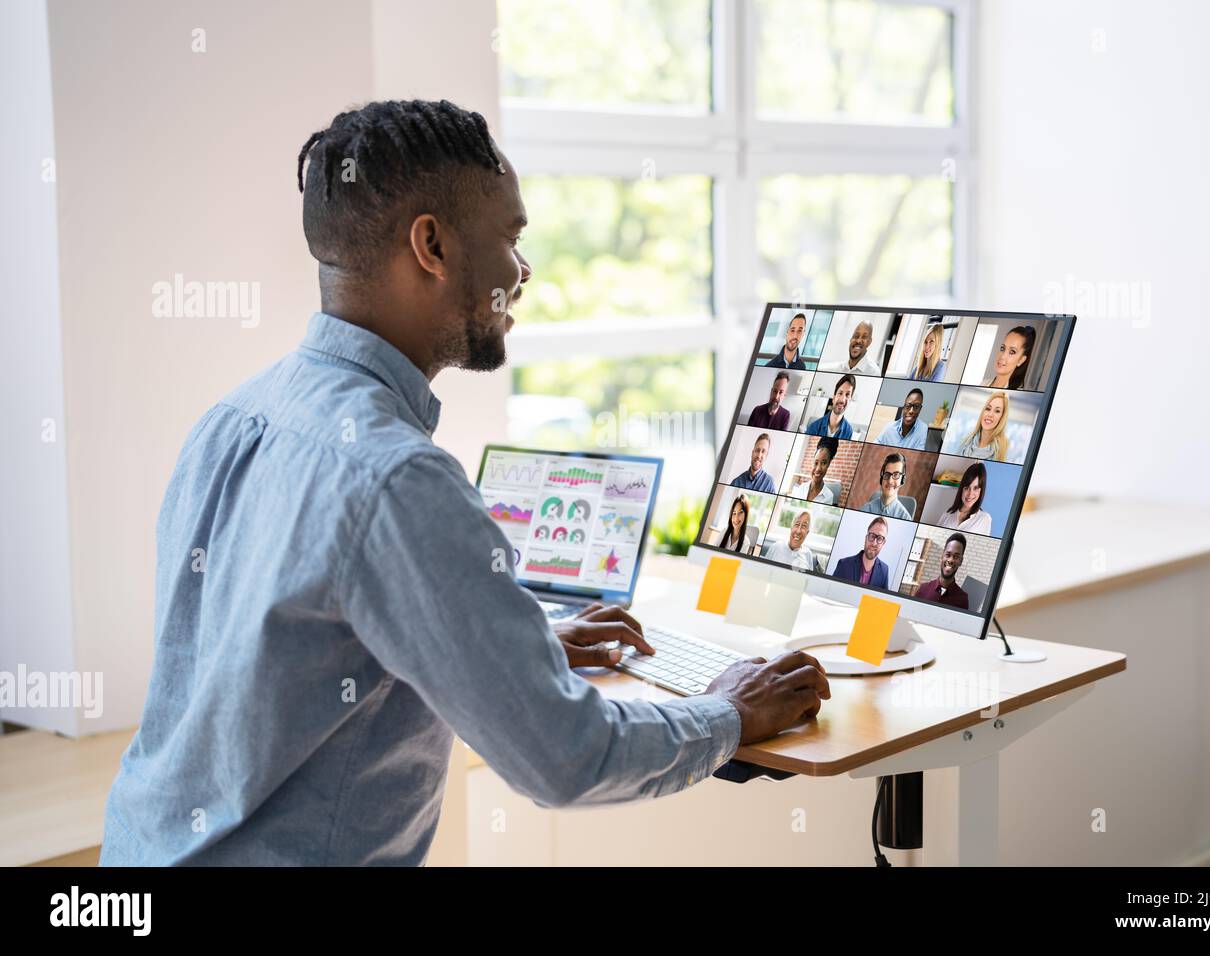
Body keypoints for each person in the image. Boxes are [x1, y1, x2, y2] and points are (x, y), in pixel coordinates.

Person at [99, 99, 830, 867]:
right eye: (511, 237)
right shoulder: (397, 478)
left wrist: (500, 648)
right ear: (433, 246)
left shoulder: (232, 419)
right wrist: (730, 713)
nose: (524, 270)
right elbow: (568, 758)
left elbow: (277, 658)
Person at [832, 517, 891, 589]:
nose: (874, 543)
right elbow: (831, 590)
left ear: (883, 543)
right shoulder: (844, 564)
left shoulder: (884, 570)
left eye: (879, 538)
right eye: (872, 536)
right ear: (866, 538)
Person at [914, 533, 970, 608]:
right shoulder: (923, 589)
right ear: (942, 556)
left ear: (961, 561)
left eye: (956, 557)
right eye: (948, 555)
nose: (950, 560)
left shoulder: (962, 599)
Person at [936, 462, 992, 535]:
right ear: (962, 489)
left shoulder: (984, 519)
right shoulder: (947, 514)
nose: (970, 494)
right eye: (967, 488)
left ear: (981, 491)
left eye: (975, 488)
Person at [956, 391, 1009, 461]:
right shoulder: (966, 441)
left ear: (1002, 417)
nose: (990, 414)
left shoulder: (1002, 449)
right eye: (988, 409)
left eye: (997, 411)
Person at [983, 325, 1036, 390]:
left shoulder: (1016, 395)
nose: (1002, 356)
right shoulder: (984, 383)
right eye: (1003, 348)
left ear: (1021, 360)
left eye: (1012, 352)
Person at [862, 452, 913, 519]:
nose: (890, 481)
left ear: (902, 480)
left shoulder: (905, 518)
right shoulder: (865, 509)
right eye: (887, 474)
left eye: (896, 475)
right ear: (881, 478)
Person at [789, 437, 839, 504]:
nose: (818, 469)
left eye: (824, 463)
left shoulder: (829, 496)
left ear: (828, 464)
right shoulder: (801, 488)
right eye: (816, 463)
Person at [805, 374, 856, 439]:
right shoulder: (814, 427)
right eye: (840, 393)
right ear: (833, 398)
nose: (842, 400)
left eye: (847, 395)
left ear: (850, 401)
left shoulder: (848, 431)